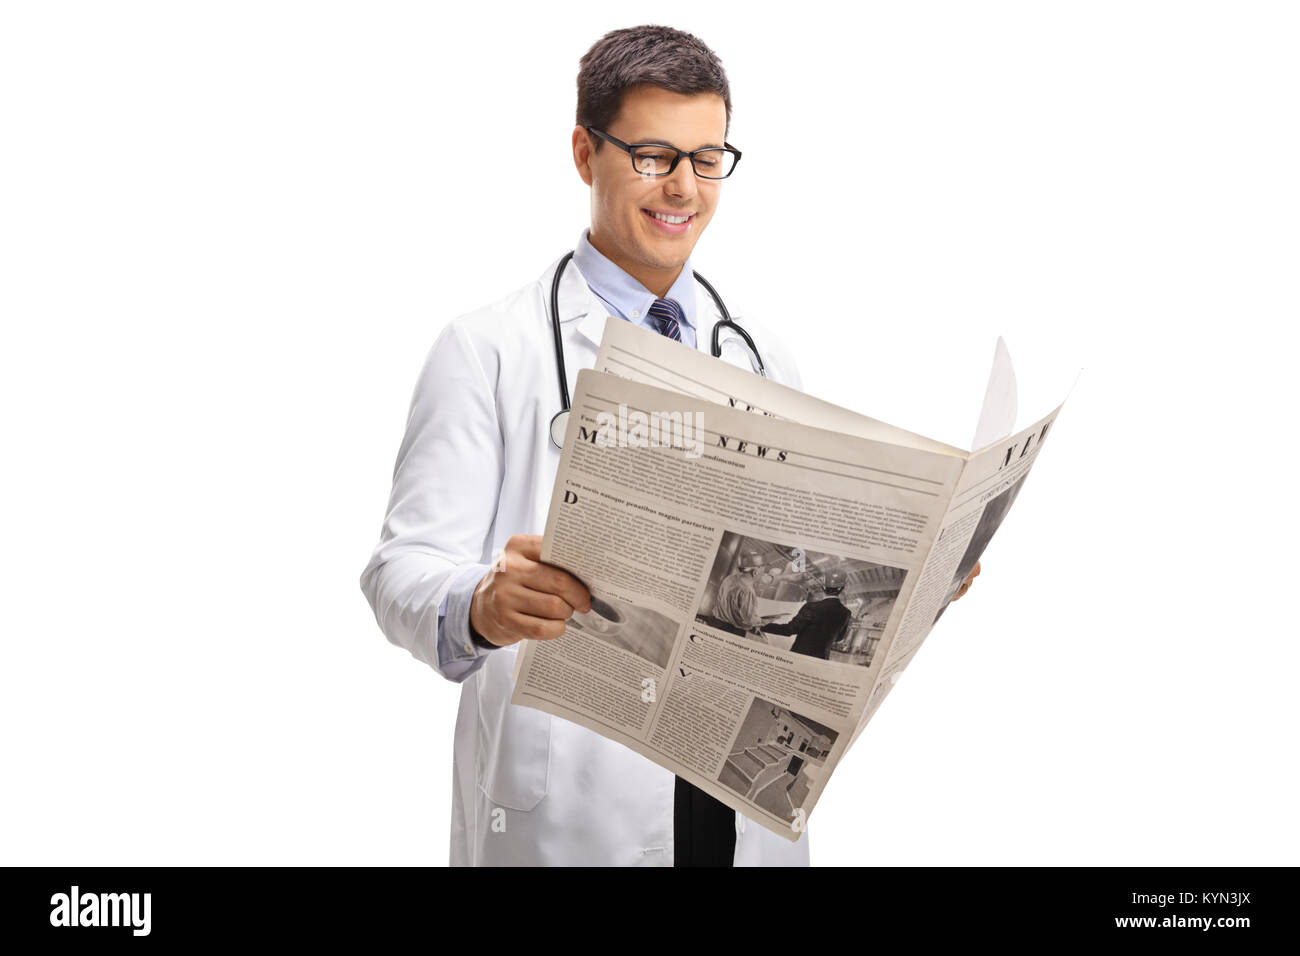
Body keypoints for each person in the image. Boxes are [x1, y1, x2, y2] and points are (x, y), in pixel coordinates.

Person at [359, 25, 980, 867]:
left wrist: (911, 585)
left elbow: (796, 572)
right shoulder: (487, 349)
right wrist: (479, 603)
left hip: (739, 800)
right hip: (575, 810)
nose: (684, 188)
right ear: (586, 153)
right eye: (653, 155)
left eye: (707, 157)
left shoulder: (761, 351)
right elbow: (399, 570)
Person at [762, 568, 854, 661]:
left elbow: (790, 629)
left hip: (799, 656)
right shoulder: (846, 613)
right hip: (821, 659)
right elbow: (839, 638)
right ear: (842, 588)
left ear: (823, 586)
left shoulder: (812, 607)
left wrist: (762, 625)